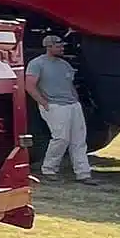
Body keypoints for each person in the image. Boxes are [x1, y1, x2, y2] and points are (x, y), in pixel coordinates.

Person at [26, 33, 97, 185]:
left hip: (72, 105)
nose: (62, 48)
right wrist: (44, 103)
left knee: (79, 140)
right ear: (49, 47)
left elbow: (70, 84)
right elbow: (29, 85)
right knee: (60, 138)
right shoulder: (37, 63)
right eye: (58, 46)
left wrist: (75, 100)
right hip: (55, 105)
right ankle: (49, 169)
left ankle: (83, 174)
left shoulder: (64, 64)